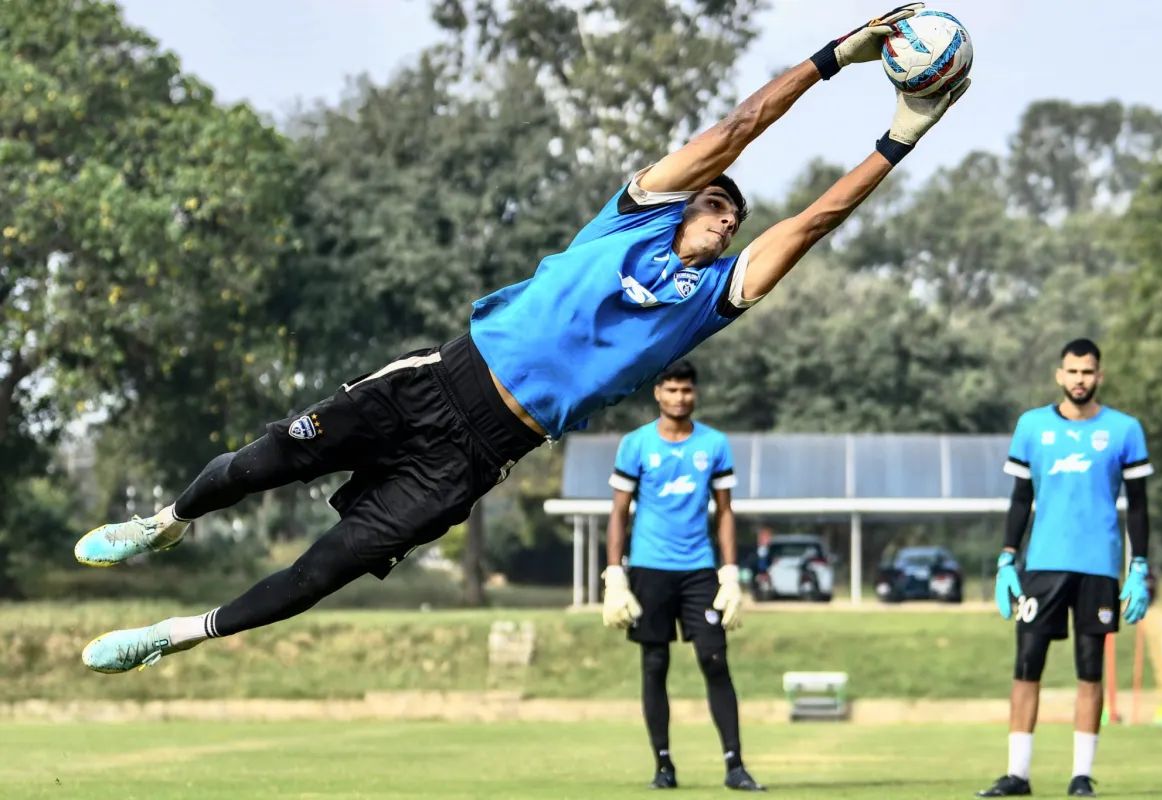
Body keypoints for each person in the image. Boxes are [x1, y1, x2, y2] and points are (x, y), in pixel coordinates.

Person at [72, 2, 970, 675]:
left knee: (326, 569)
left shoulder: (710, 299)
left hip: (480, 451)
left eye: (734, 216)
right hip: (432, 384)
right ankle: (164, 524)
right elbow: (738, 127)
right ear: (686, 197)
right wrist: (837, 56)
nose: (723, 213)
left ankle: (175, 636)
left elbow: (812, 223)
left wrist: (903, 133)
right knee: (261, 460)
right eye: (714, 198)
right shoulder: (635, 217)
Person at [982, 338, 1153, 799]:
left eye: (1088, 371)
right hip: (1043, 565)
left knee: (1089, 670)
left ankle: (1081, 776)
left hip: (1098, 565)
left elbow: (1138, 507)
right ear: (1060, 375)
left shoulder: (1125, 430)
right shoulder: (1032, 426)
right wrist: (1006, 558)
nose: (1080, 379)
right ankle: (1017, 775)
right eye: (1073, 371)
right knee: (1026, 666)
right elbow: (1020, 500)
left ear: (1100, 376)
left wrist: (1139, 566)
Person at [603, 361, 757, 790]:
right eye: (671, 390)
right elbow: (618, 514)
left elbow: (725, 512)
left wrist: (730, 573)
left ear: (694, 394)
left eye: (686, 391)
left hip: (699, 571)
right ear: (658, 393)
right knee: (654, 664)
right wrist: (614, 574)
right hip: (649, 569)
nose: (679, 398)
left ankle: (735, 766)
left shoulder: (715, 444)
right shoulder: (635, 445)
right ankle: (664, 767)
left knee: (715, 660)